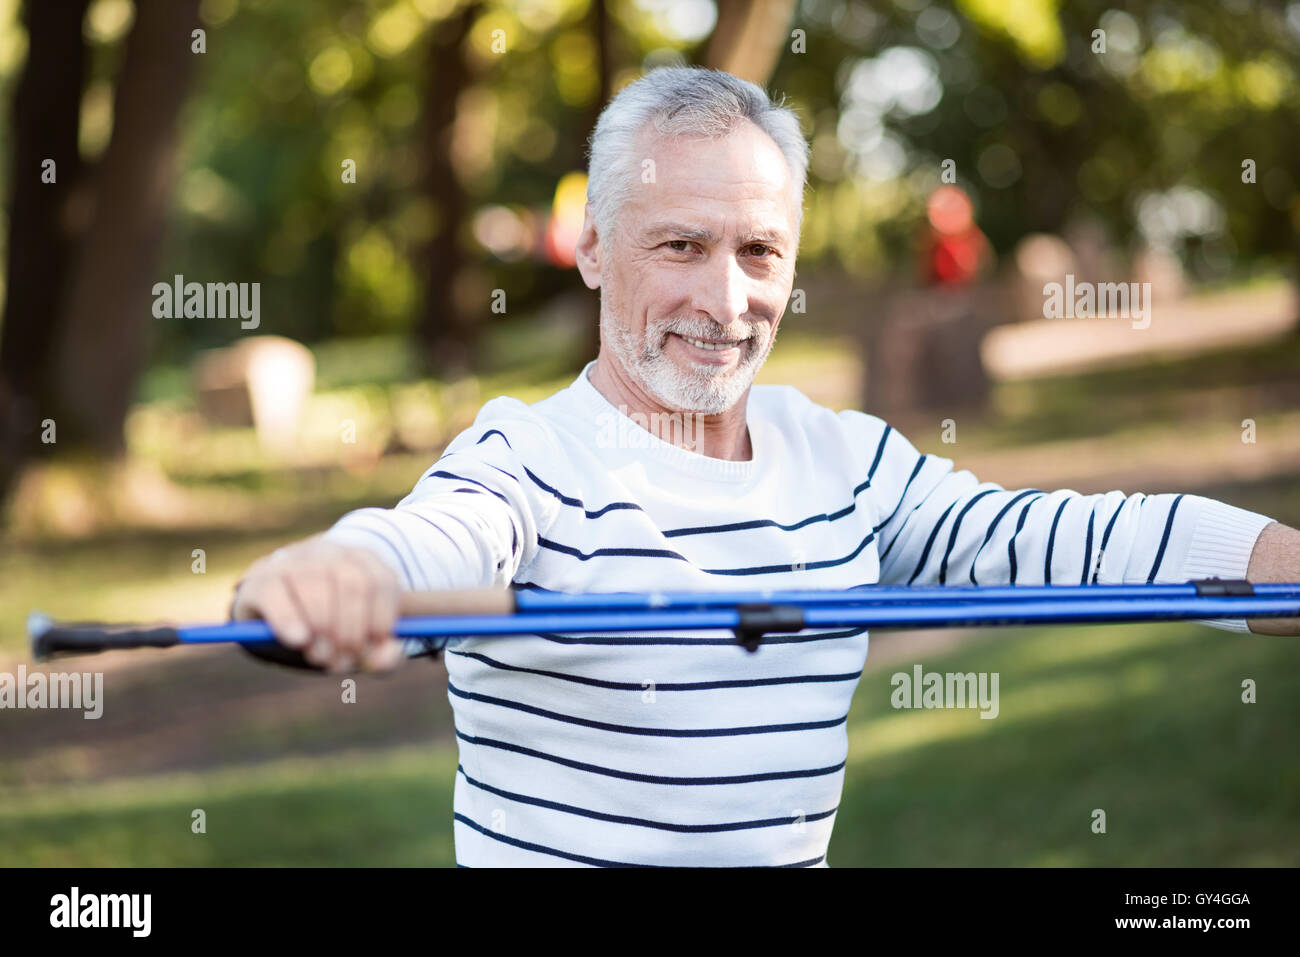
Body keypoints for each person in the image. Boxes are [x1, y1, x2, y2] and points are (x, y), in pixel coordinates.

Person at [230, 66, 1300, 867]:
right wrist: (336, 573)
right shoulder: (524, 459)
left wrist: (1284, 564)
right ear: (595, 248)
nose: (726, 299)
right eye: (680, 247)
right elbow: (429, 542)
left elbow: (1066, 545)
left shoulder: (843, 458)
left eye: (759, 253)